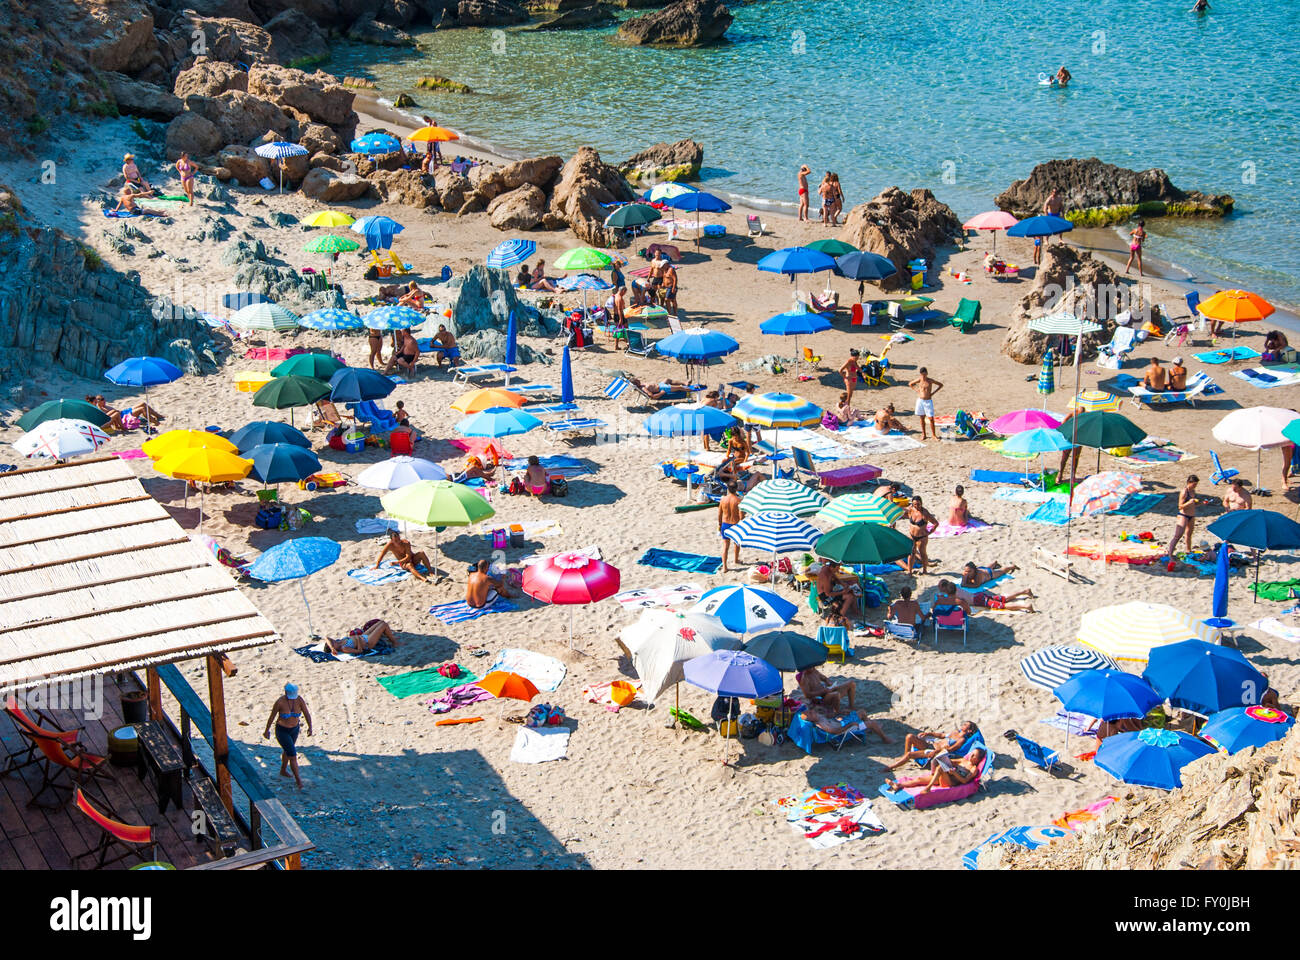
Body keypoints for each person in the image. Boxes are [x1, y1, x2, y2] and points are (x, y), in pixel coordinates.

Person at [263, 682, 312, 789]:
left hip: (294, 729)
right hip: (282, 731)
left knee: (288, 750)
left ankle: (283, 770)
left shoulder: (299, 700)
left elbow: (306, 713)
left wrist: (310, 726)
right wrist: (266, 730)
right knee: (293, 755)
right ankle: (298, 780)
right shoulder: (280, 702)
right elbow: (272, 717)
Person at [885, 747, 985, 794]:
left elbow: (964, 781)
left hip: (951, 783)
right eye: (972, 753)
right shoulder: (963, 760)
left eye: (973, 755)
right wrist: (943, 758)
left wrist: (954, 772)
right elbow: (950, 761)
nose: (971, 756)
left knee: (940, 768)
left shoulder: (973, 769)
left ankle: (928, 788)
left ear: (978, 759)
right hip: (945, 777)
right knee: (919, 779)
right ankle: (898, 786)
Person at [887, 721, 980, 770]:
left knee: (910, 755)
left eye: (966, 725)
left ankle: (890, 767)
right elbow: (941, 735)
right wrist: (928, 733)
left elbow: (951, 749)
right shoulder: (955, 732)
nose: (963, 724)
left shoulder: (962, 740)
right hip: (931, 745)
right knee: (909, 736)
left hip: (935, 752)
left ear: (969, 731)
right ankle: (903, 758)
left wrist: (935, 751)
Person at [804, 704, 892, 743]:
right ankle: (885, 739)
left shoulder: (819, 717)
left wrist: (839, 713)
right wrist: (850, 725)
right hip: (846, 728)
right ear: (811, 719)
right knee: (873, 723)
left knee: (861, 712)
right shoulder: (820, 725)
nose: (813, 712)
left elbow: (831, 717)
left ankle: (868, 728)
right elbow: (836, 731)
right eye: (811, 713)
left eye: (811, 711)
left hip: (842, 722)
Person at [1163, 474, 1201, 559]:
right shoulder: (1184, 492)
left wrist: (1201, 503)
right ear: (1188, 482)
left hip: (1191, 515)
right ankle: (1170, 554)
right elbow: (1180, 506)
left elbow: (1193, 505)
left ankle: (1188, 551)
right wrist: (1189, 502)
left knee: (1189, 535)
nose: (1195, 486)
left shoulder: (1193, 492)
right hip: (1183, 515)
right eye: (1194, 484)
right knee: (1178, 535)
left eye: (1196, 484)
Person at [816, 560, 861, 625]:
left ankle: (856, 611)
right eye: (837, 568)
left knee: (851, 590)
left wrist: (842, 583)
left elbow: (834, 576)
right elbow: (828, 594)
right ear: (832, 567)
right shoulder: (825, 577)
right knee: (849, 596)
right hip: (825, 596)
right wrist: (843, 592)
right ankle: (839, 616)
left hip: (831, 590)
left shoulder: (827, 568)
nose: (838, 570)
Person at [904, 495, 938, 575]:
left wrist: (930, 532)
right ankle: (909, 571)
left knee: (923, 553)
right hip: (912, 536)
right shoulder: (911, 510)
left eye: (918, 504)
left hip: (922, 537)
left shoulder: (925, 513)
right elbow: (903, 513)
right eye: (914, 504)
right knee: (911, 553)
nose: (916, 506)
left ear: (921, 503)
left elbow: (936, 523)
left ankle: (925, 570)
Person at [325, 619, 399, 655]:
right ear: (334, 649)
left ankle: (392, 638)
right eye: (332, 643)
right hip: (367, 643)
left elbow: (327, 638)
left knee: (381, 622)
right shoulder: (344, 648)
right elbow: (360, 651)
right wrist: (358, 641)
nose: (333, 641)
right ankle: (395, 643)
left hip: (363, 636)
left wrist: (331, 647)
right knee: (383, 625)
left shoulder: (339, 641)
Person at [909, 367, 943, 440]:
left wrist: (933, 393)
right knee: (921, 418)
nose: (923, 376)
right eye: (922, 375)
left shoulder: (930, 380)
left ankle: (934, 435)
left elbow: (940, 385)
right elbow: (910, 384)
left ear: (927, 374)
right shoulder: (919, 380)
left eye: (925, 374)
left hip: (928, 401)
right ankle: (923, 434)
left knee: (931, 418)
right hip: (920, 400)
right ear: (920, 374)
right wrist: (917, 390)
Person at [719, 482, 742, 573]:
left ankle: (725, 567)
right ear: (736, 489)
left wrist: (719, 525)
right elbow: (741, 515)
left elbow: (719, 514)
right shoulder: (738, 500)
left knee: (725, 546)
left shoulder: (723, 499)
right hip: (735, 524)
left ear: (728, 489)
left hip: (725, 524)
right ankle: (736, 560)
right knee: (737, 543)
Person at [1055, 408, 1082, 484]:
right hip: (1069, 439)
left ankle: (1073, 475)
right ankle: (1060, 474)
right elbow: (1062, 425)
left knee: (1075, 458)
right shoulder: (1071, 414)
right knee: (1065, 457)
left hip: (1078, 439)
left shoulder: (1085, 416)